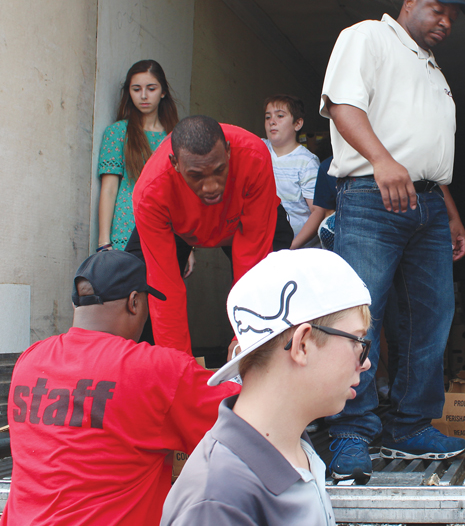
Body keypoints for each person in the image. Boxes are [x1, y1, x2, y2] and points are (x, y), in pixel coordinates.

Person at [318, 0, 465, 481]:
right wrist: (382, 161)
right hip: (371, 194)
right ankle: (350, 431)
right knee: (360, 317)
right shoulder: (368, 36)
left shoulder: (432, 67)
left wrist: (450, 213)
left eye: (452, 17)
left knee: (430, 317)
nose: (445, 22)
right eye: (437, 9)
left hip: (427, 202)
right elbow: (342, 105)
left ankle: (409, 425)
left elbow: (423, 150)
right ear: (410, 0)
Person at [1, 250, 239, 526]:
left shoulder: (30, 360)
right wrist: (247, 359)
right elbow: (249, 415)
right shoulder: (154, 369)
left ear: (76, 304)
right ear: (134, 302)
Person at [161, 249, 372, 525]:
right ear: (302, 345)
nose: (366, 363)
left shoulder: (296, 449)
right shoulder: (218, 501)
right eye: (357, 342)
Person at [127, 115, 286, 356]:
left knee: (275, 275)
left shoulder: (253, 155)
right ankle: (157, 364)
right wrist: (177, 363)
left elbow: (251, 261)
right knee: (138, 282)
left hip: (242, 222)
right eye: (197, 175)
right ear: (175, 164)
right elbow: (165, 286)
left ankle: (268, 357)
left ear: (228, 152)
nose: (211, 186)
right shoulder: (151, 193)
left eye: (219, 170)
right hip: (180, 229)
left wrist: (245, 338)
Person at [97, 60, 196, 275]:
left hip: (167, 231)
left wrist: (188, 246)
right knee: (127, 293)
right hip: (125, 229)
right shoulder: (117, 132)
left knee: (161, 293)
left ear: (163, 92)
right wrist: (104, 242)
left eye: (151, 88)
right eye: (136, 89)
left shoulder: (176, 138)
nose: (143, 96)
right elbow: (109, 189)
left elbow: (183, 194)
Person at [262, 94, 325, 249]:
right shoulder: (258, 149)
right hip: (267, 246)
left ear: (297, 124)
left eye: (280, 116)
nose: (272, 121)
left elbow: (317, 211)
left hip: (300, 250)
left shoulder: (307, 162)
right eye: (268, 117)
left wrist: (291, 247)